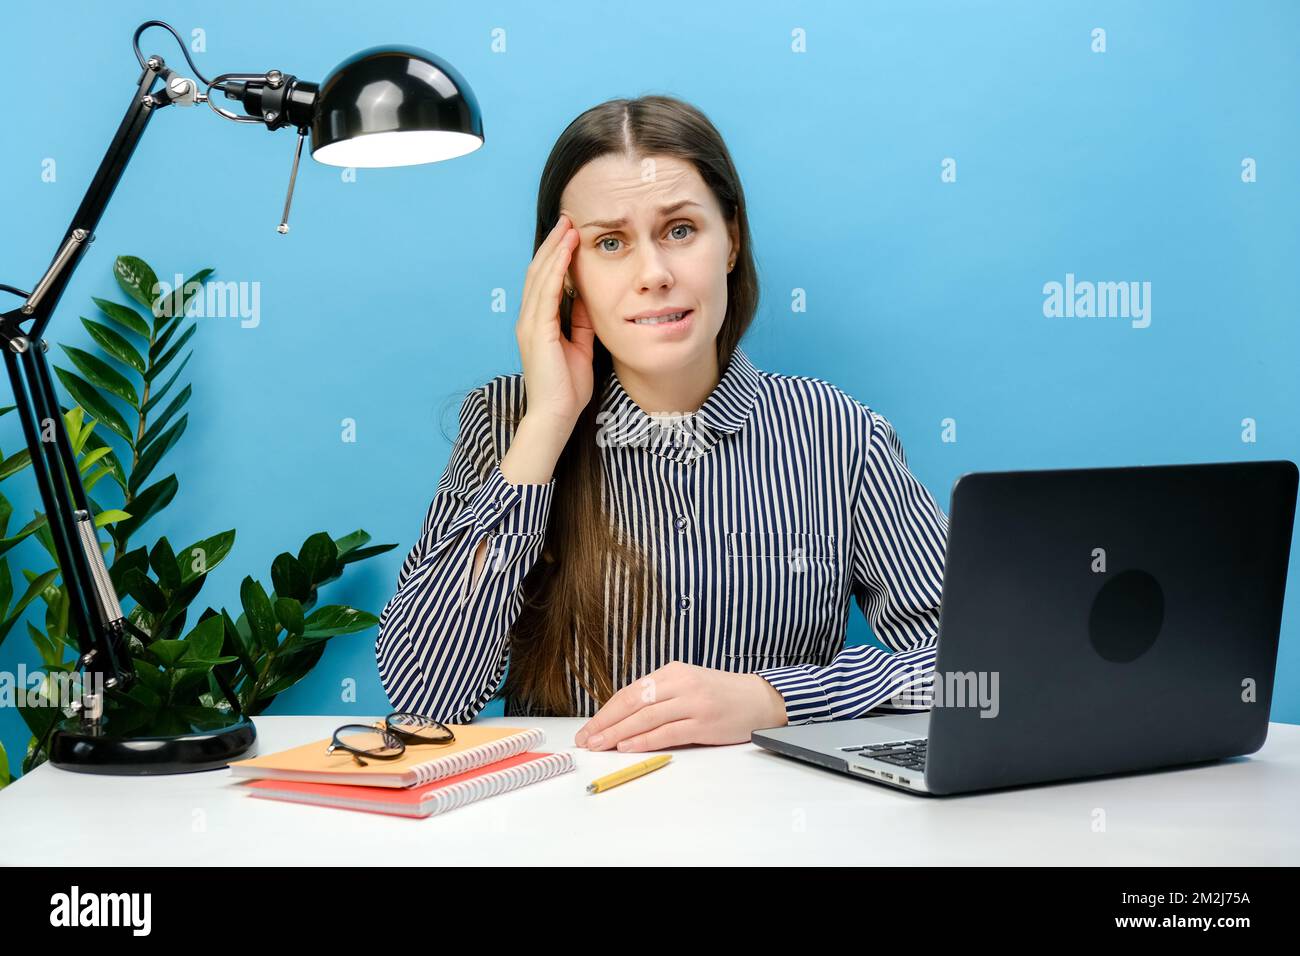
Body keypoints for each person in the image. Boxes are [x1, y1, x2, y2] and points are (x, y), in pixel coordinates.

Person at [375, 95, 948, 753]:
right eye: (610, 243)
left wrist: (776, 699)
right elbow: (425, 696)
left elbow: (977, 669)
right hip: (566, 826)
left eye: (680, 230)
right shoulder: (506, 424)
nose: (654, 275)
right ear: (565, 276)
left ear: (731, 238)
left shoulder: (840, 434)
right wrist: (548, 424)